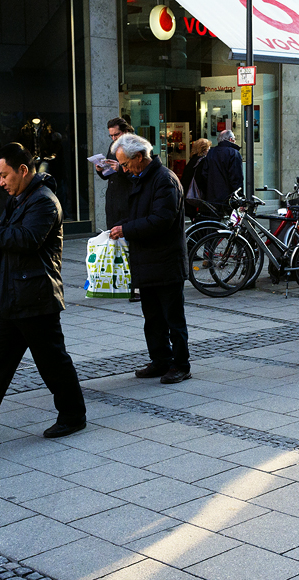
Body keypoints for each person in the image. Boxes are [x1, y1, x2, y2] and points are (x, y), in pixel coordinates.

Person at [0, 143, 86, 440]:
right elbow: (8, 237)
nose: (1, 182)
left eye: (4, 175)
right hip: (12, 296)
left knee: (52, 361)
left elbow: (27, 239)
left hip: (36, 296)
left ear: (23, 170)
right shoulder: (19, 198)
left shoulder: (44, 201)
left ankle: (73, 415)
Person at [109, 133, 191, 384]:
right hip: (147, 260)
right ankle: (160, 360)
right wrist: (121, 226)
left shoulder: (164, 179)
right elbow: (140, 214)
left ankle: (181, 364)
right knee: (152, 317)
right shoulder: (141, 178)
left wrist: (127, 229)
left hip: (166, 260)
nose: (124, 169)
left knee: (172, 318)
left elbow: (161, 220)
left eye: (125, 164)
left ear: (139, 157)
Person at [97, 117, 140, 301]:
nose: (114, 138)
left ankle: (136, 287)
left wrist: (120, 170)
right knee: (115, 241)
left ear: (126, 131)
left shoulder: (135, 146)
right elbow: (110, 175)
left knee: (132, 244)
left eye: (117, 134)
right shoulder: (113, 146)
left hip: (128, 200)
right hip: (114, 200)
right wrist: (101, 170)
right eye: (111, 135)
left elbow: (139, 175)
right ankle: (121, 283)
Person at [201, 130, 243, 209]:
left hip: (212, 197)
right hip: (228, 199)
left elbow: (204, 174)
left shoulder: (211, 152)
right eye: (234, 139)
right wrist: (239, 198)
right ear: (230, 139)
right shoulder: (233, 153)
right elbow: (236, 178)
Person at [181, 138, 211, 217]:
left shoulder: (192, 160)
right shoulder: (203, 161)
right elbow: (201, 180)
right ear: (204, 150)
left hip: (188, 196)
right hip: (196, 197)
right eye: (208, 149)